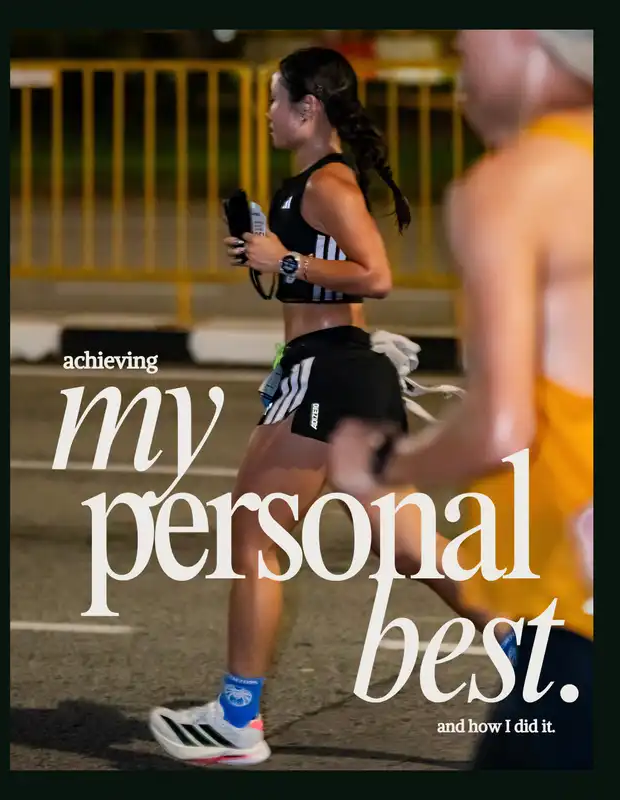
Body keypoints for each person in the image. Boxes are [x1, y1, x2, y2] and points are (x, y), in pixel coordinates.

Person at [148, 46, 509, 768]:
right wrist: (273, 256)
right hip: (341, 371)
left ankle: (237, 721)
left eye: (276, 99)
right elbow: (328, 280)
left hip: (330, 374)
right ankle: (542, 656)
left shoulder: (329, 182)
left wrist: (282, 260)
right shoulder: (310, 186)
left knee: (254, 538)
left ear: (308, 108)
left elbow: (375, 274)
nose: (268, 113)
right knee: (406, 545)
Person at [328, 30, 593, 770]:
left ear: (533, 43)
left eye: (475, 33)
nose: (458, 50)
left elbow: (499, 428)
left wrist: (382, 466)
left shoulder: (517, 184)